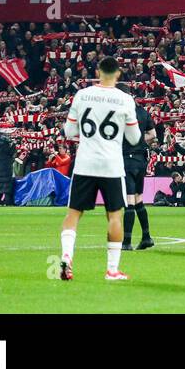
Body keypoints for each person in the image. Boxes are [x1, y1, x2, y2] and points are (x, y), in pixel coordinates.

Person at [57, 56, 142, 282]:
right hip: (111, 166)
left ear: (98, 71)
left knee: (73, 213)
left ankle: (66, 256)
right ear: (118, 74)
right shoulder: (125, 99)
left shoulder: (82, 95)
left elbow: (69, 132)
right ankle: (112, 270)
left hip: (85, 163)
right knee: (114, 216)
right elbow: (134, 138)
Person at [121, 94, 157, 251]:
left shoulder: (121, 114)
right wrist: (139, 141)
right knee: (138, 199)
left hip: (126, 159)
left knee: (129, 200)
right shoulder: (143, 112)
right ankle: (146, 237)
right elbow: (153, 135)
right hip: (141, 159)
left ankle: (126, 242)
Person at [0, 132, 15, 206]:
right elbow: (11, 152)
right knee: (7, 184)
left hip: (1, 169)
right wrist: (14, 145)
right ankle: (8, 201)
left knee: (1, 184)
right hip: (6, 168)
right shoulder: (4, 147)